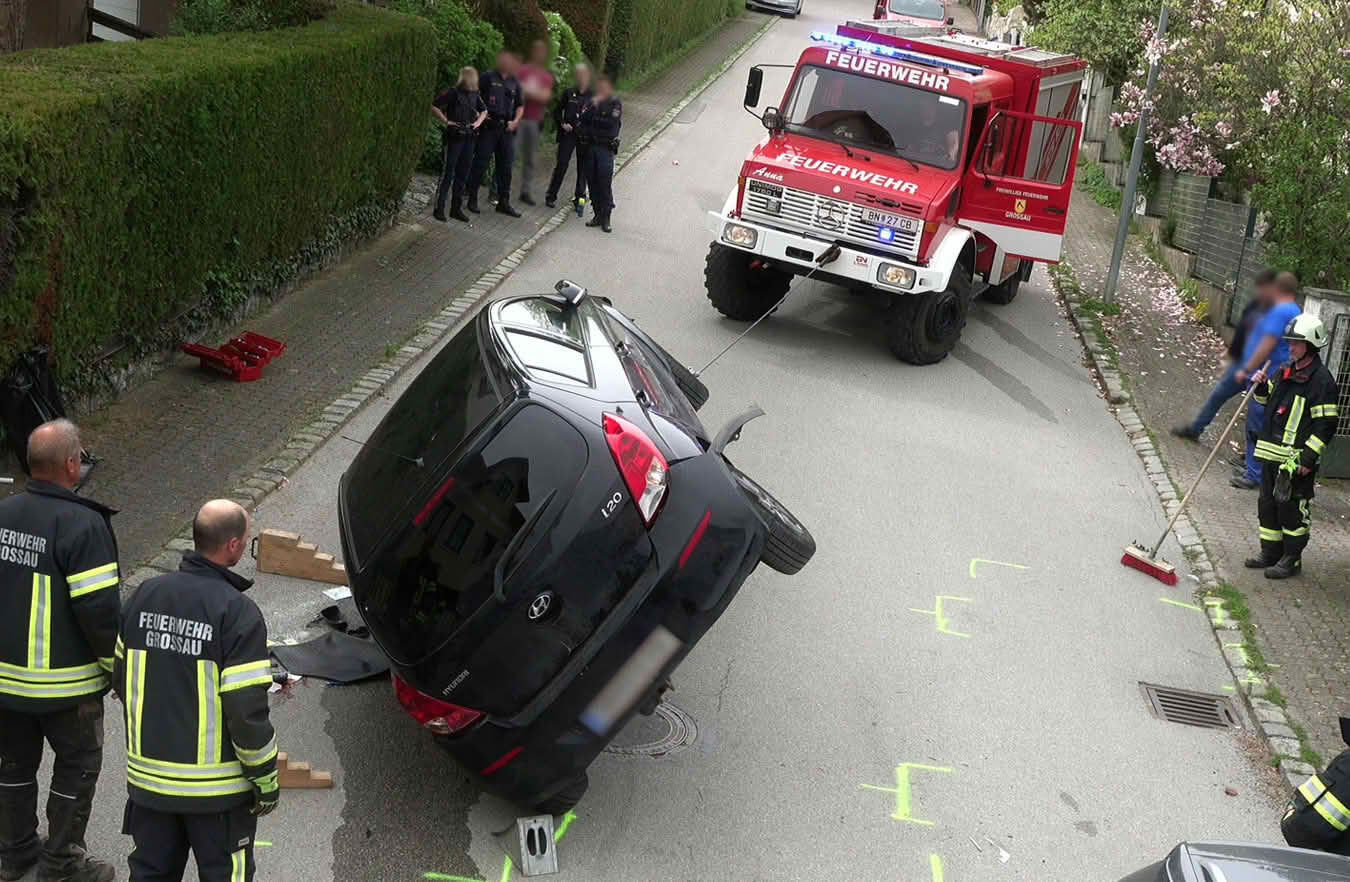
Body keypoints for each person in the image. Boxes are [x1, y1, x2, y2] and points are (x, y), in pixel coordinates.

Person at [116, 500, 278, 882]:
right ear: (234, 546)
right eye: (247, 540)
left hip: (150, 785)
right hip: (216, 796)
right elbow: (246, 712)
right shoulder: (237, 612)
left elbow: (121, 676)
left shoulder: (143, 596)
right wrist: (265, 777)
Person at [0, 420, 119, 882]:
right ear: (72, 463)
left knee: (13, 769)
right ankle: (61, 865)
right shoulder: (83, 525)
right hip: (67, 687)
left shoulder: (4, 514)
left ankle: (14, 857)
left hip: (5, 685)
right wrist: (119, 670)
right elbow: (100, 613)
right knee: (77, 770)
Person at [1244, 314, 1338, 579]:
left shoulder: (1322, 382)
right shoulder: (1285, 371)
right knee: (1268, 506)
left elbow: (1325, 426)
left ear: (1311, 345)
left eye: (1296, 343)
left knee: (1292, 511)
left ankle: (1291, 559)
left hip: (1294, 463)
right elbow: (1268, 403)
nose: (1291, 347)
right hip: (1272, 454)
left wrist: (1308, 459)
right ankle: (1270, 553)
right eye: (1290, 342)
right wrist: (1262, 387)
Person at [1173, 268, 1276, 444]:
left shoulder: (1278, 315)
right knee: (1219, 394)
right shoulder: (1254, 307)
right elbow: (1242, 334)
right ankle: (1196, 429)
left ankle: (1254, 450)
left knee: (1260, 409)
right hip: (1244, 364)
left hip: (1264, 370)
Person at [1231, 271, 1303, 489]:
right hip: (1279, 376)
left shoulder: (1281, 312)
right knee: (1266, 424)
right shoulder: (1295, 310)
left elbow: (1266, 344)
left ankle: (1254, 474)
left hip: (1266, 376)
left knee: (1257, 424)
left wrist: (1246, 369)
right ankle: (1254, 466)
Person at [468, 51, 525, 218]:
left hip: (506, 129)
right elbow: (473, 96)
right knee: (480, 163)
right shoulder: (487, 77)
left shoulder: (515, 82)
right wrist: (478, 115)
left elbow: (520, 106)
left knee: (506, 167)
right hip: (489, 127)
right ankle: (472, 198)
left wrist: (516, 121)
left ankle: (503, 202)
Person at [431, 67, 488, 223]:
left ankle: (456, 209)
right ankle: (439, 208)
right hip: (454, 137)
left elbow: (484, 111)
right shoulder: (453, 92)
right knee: (448, 173)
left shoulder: (475, 95)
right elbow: (434, 106)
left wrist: (477, 123)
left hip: (469, 138)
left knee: (463, 173)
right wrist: (446, 121)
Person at [545, 64, 592, 210]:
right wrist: (562, 124)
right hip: (569, 134)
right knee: (562, 165)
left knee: (583, 169)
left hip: (584, 136)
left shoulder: (593, 96)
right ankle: (551, 196)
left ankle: (580, 200)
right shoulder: (569, 93)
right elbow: (557, 112)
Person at [580, 74, 622, 234]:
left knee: (604, 183)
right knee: (592, 182)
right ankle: (597, 214)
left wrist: (594, 121)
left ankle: (606, 217)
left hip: (605, 148)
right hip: (591, 147)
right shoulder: (593, 101)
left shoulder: (615, 103)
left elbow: (611, 124)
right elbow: (583, 117)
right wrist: (595, 113)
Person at [516, 39, 555, 207]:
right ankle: (498, 190)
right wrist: (535, 92)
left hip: (534, 121)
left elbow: (545, 97)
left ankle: (525, 191)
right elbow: (516, 90)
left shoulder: (546, 76)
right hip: (518, 119)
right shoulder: (522, 71)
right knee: (510, 155)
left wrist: (528, 91)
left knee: (530, 158)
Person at [915, 98, 959, 167]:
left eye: (929, 106)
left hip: (937, 166)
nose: (926, 110)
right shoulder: (914, 126)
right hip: (915, 163)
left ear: (935, 108)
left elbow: (954, 145)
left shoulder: (946, 127)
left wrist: (951, 156)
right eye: (923, 107)